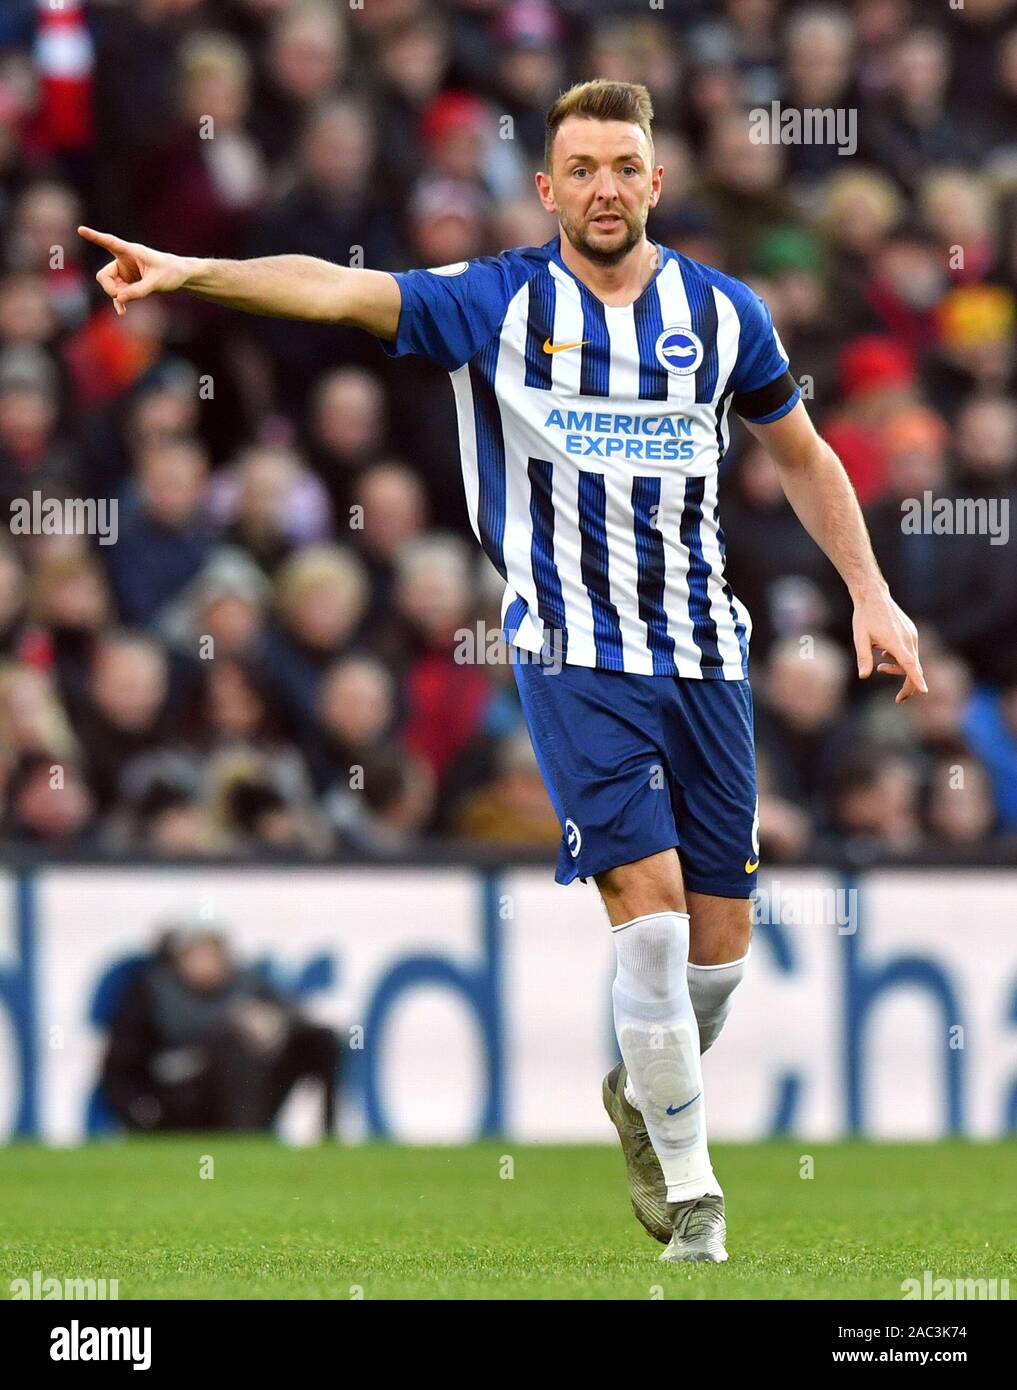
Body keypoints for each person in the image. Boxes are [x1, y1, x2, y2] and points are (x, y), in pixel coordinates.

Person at [77, 78, 926, 1264]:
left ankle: (641, 1091)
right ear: (548, 190)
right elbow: (336, 289)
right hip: (573, 654)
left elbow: (802, 449)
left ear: (656, 181)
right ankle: (695, 1206)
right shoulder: (497, 302)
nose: (605, 188)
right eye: (580, 168)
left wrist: (872, 593)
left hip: (705, 656)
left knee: (717, 960)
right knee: (647, 925)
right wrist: (189, 270)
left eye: (624, 165)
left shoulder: (727, 316)